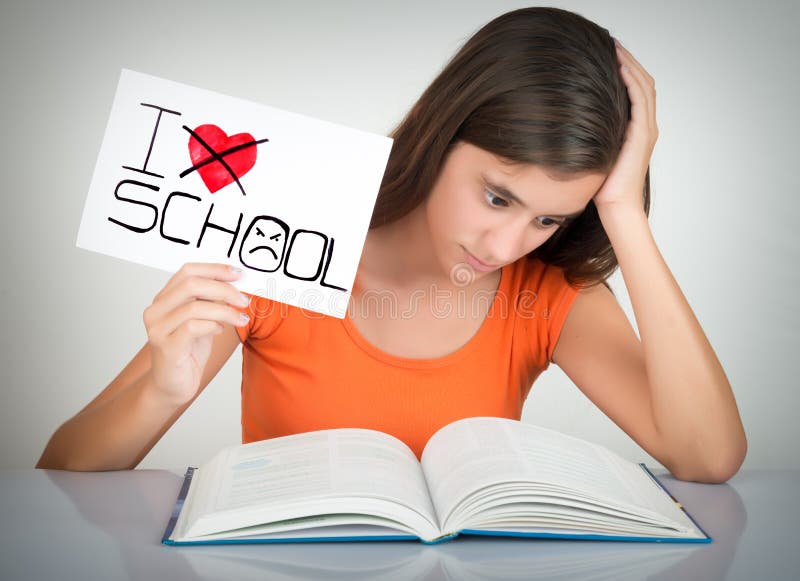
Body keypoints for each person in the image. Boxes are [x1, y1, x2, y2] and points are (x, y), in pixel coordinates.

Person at [37, 7, 746, 482]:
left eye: (548, 219)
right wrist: (162, 393)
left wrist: (624, 210)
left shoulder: (548, 290)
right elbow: (62, 474)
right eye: (498, 196)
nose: (505, 244)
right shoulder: (285, 245)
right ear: (444, 134)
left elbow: (707, 458)